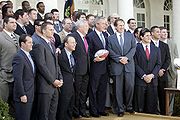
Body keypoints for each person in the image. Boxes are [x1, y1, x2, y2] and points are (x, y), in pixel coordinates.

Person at [30, 22, 63, 120]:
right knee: (43, 115)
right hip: (45, 86)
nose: (53, 31)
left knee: (52, 114)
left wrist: (60, 78)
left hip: (55, 86)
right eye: (50, 29)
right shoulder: (39, 44)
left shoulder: (51, 45)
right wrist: (53, 80)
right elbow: (41, 65)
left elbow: (56, 64)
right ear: (44, 31)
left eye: (53, 29)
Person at [107, 18, 136, 117]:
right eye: (120, 25)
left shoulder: (130, 36)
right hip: (117, 66)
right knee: (117, 89)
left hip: (129, 66)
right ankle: (120, 109)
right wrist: (119, 59)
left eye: (123, 25)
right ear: (115, 27)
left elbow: (133, 48)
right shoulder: (110, 38)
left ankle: (129, 106)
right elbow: (110, 50)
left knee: (130, 87)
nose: (122, 27)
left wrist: (127, 58)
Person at [134, 28, 161, 114]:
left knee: (151, 107)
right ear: (141, 37)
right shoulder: (136, 48)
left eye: (150, 35)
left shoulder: (156, 49)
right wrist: (144, 76)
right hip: (140, 81)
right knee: (140, 107)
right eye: (147, 35)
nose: (150, 37)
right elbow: (135, 64)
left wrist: (152, 75)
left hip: (152, 81)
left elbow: (158, 64)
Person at [86, 16, 109, 117]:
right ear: (97, 24)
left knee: (102, 89)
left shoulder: (105, 34)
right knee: (94, 89)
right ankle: (93, 110)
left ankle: (101, 109)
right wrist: (94, 59)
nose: (105, 25)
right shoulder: (90, 36)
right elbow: (88, 52)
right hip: (95, 67)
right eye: (103, 23)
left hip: (104, 66)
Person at [68, 20, 90, 118]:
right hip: (77, 70)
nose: (88, 28)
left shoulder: (85, 38)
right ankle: (76, 112)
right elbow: (64, 45)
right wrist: (59, 48)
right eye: (86, 26)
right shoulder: (73, 36)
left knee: (83, 92)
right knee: (76, 92)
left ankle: (82, 110)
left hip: (86, 69)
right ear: (80, 27)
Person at [0, 16, 19, 117]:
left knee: (14, 105)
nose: (14, 24)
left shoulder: (18, 37)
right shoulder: (1, 37)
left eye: (15, 22)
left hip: (16, 76)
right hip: (4, 76)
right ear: (5, 24)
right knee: (3, 103)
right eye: (12, 22)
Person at [13, 34, 35, 120]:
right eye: (29, 42)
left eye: (32, 42)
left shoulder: (29, 55)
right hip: (23, 95)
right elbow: (18, 78)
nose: (32, 44)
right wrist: (22, 94)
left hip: (30, 93)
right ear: (22, 44)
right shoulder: (19, 57)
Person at [151, 26, 171, 115]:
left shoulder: (165, 45)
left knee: (163, 96)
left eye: (160, 32)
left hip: (163, 75)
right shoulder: (148, 44)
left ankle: (164, 114)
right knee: (153, 96)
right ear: (152, 33)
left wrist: (162, 69)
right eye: (157, 32)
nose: (159, 34)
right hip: (152, 75)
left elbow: (168, 59)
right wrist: (155, 71)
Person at [160, 26, 179, 115]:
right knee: (161, 92)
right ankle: (160, 111)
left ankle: (169, 112)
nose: (165, 34)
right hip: (161, 72)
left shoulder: (173, 43)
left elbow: (176, 57)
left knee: (171, 93)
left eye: (166, 32)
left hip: (172, 72)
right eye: (163, 32)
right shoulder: (157, 44)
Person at [57, 36, 76, 120]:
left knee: (70, 105)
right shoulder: (60, 54)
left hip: (72, 84)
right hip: (63, 84)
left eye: (75, 42)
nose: (74, 44)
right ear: (66, 44)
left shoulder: (73, 55)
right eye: (72, 42)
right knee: (63, 106)